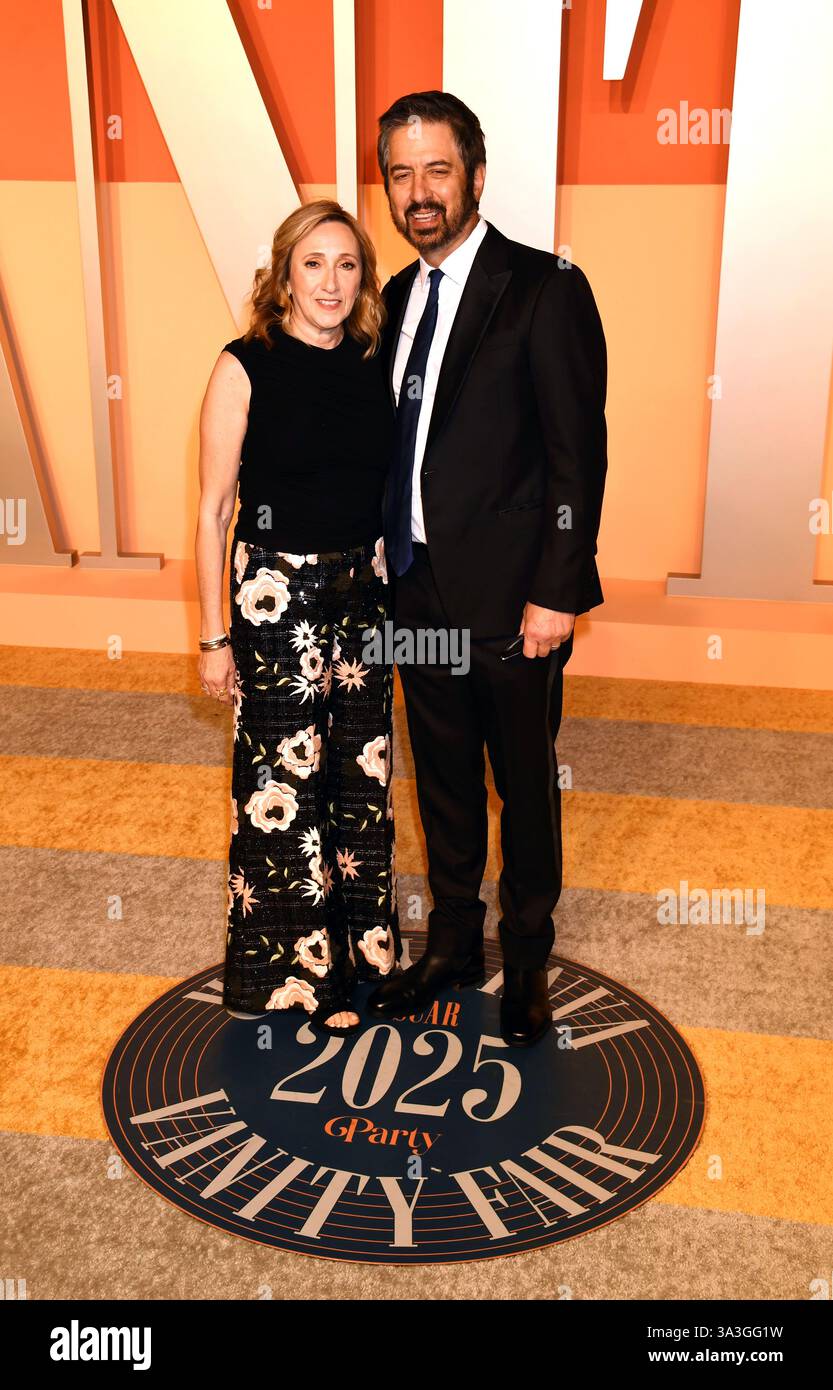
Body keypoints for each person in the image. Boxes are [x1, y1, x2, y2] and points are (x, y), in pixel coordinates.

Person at [366, 92, 608, 1047]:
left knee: (524, 779)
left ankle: (529, 955)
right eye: (400, 173)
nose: (419, 193)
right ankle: (454, 943)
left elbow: (575, 455)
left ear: (473, 174)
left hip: (516, 596)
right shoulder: (392, 299)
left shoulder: (544, 287)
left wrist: (557, 588)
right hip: (417, 587)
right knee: (442, 779)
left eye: (436, 170)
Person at [195, 199, 401, 1036]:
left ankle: (364, 960)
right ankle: (291, 974)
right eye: (313, 263)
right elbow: (212, 511)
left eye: (347, 264)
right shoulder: (244, 364)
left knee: (362, 780)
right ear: (283, 275)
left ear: (364, 280)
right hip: (273, 598)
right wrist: (212, 638)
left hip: (365, 595)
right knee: (282, 785)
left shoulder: (372, 360)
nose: (331, 281)